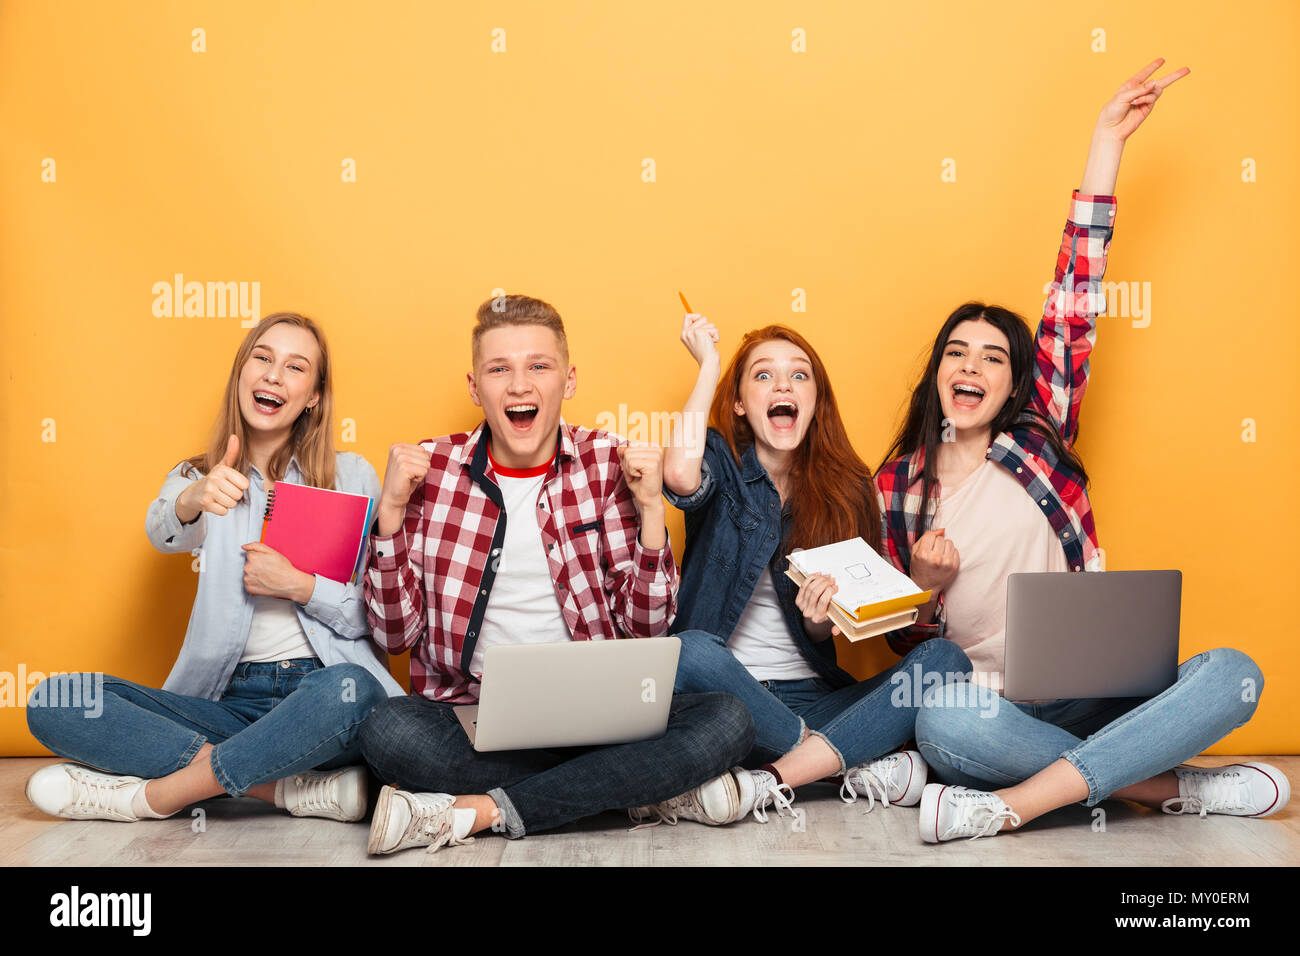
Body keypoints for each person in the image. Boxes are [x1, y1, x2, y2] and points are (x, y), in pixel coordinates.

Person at [873, 60, 1290, 841]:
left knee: (1234, 676)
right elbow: (906, 649)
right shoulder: (894, 488)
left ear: (1014, 387)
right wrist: (921, 587)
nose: (972, 367)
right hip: (991, 707)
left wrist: (1107, 142)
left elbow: (1076, 290)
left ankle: (1017, 804)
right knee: (944, 731)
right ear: (936, 373)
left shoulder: (1038, 440)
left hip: (1092, 689)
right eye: (957, 353)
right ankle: (1170, 787)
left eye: (994, 358)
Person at [358, 294, 755, 855]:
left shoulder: (610, 463)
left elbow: (647, 631)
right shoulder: (432, 469)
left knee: (729, 720)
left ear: (568, 381)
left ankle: (484, 811)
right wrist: (391, 516)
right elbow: (393, 638)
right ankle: (634, 789)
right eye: (500, 369)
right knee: (386, 731)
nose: (520, 386)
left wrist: (649, 514)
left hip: (602, 720)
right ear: (476, 387)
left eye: (538, 366)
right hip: (469, 719)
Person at [26, 312, 399, 824]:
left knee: (349, 690)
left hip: (321, 699)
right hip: (226, 705)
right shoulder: (196, 476)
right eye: (262, 359)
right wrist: (192, 498)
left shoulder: (352, 476)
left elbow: (379, 615)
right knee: (56, 700)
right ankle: (282, 790)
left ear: (314, 394)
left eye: (295, 367)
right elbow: (161, 530)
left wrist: (302, 587)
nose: (273, 376)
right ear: (241, 373)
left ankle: (153, 797)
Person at [636, 320, 971, 827]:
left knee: (944, 659)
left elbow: (840, 629)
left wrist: (819, 618)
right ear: (740, 405)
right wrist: (708, 366)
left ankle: (775, 776)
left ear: (816, 402)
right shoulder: (721, 461)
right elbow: (679, 477)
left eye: (799, 376)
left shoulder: (847, 487)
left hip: (812, 697)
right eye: (764, 377)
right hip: (723, 700)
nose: (784, 386)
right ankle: (840, 763)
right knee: (689, 650)